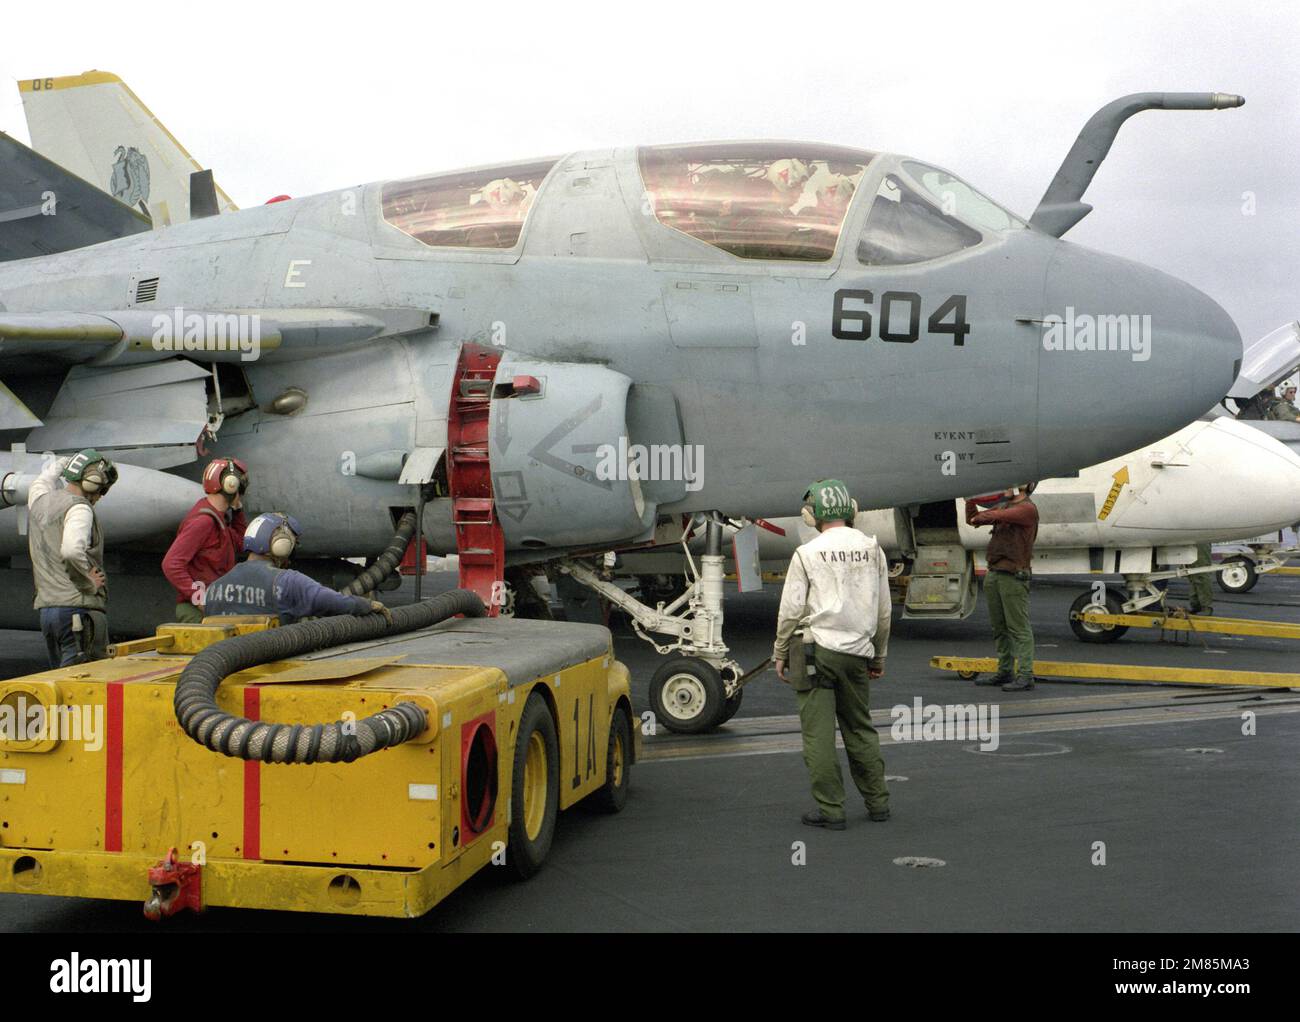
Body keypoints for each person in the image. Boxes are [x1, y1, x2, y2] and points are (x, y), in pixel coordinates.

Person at [773, 479, 892, 830]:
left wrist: (780, 651)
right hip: (858, 651)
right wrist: (879, 656)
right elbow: (883, 611)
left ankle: (832, 811)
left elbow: (791, 611)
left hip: (815, 652)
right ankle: (878, 803)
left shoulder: (806, 553)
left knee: (818, 735)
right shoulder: (873, 549)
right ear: (852, 509)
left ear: (811, 515)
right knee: (860, 728)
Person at [204, 512, 390, 625]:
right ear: (281, 545)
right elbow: (329, 601)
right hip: (272, 666)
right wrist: (366, 605)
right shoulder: (287, 581)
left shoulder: (214, 588)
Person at [27, 449, 118, 667]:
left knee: (58, 684)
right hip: (77, 611)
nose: (100, 496)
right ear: (91, 483)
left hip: (48, 612)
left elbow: (41, 481)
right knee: (82, 685)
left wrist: (64, 463)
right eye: (101, 489)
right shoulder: (79, 509)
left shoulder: (38, 501)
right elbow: (70, 550)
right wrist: (88, 583)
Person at [965, 484, 1039, 691]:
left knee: (1018, 628)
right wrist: (970, 500)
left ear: (1023, 487)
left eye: (1011, 484)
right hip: (995, 573)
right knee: (1000, 628)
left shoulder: (1026, 509)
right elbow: (972, 520)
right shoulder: (1006, 508)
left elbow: (982, 519)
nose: (1006, 487)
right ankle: (1005, 670)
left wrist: (980, 500)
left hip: (1013, 575)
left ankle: (1026, 675)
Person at [162, 457, 249, 622]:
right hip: (197, 613)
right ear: (231, 485)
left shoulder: (219, 519)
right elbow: (171, 564)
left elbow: (241, 544)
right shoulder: (203, 522)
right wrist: (199, 598)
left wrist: (238, 511)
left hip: (214, 609)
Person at [1187, 542, 1215, 615]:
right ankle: (1196, 605)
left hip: (1199, 540)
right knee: (1191, 574)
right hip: (1190, 538)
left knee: (1201, 572)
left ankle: (1205, 607)